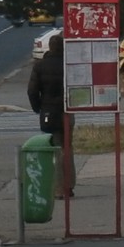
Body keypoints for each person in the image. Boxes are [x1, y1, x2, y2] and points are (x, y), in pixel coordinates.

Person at [27, 33, 76, 197]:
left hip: (49, 111)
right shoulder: (69, 64)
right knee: (67, 147)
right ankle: (69, 184)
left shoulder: (40, 66)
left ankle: (58, 187)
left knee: (55, 148)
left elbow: (32, 90)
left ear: (50, 47)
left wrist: (38, 107)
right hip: (67, 109)